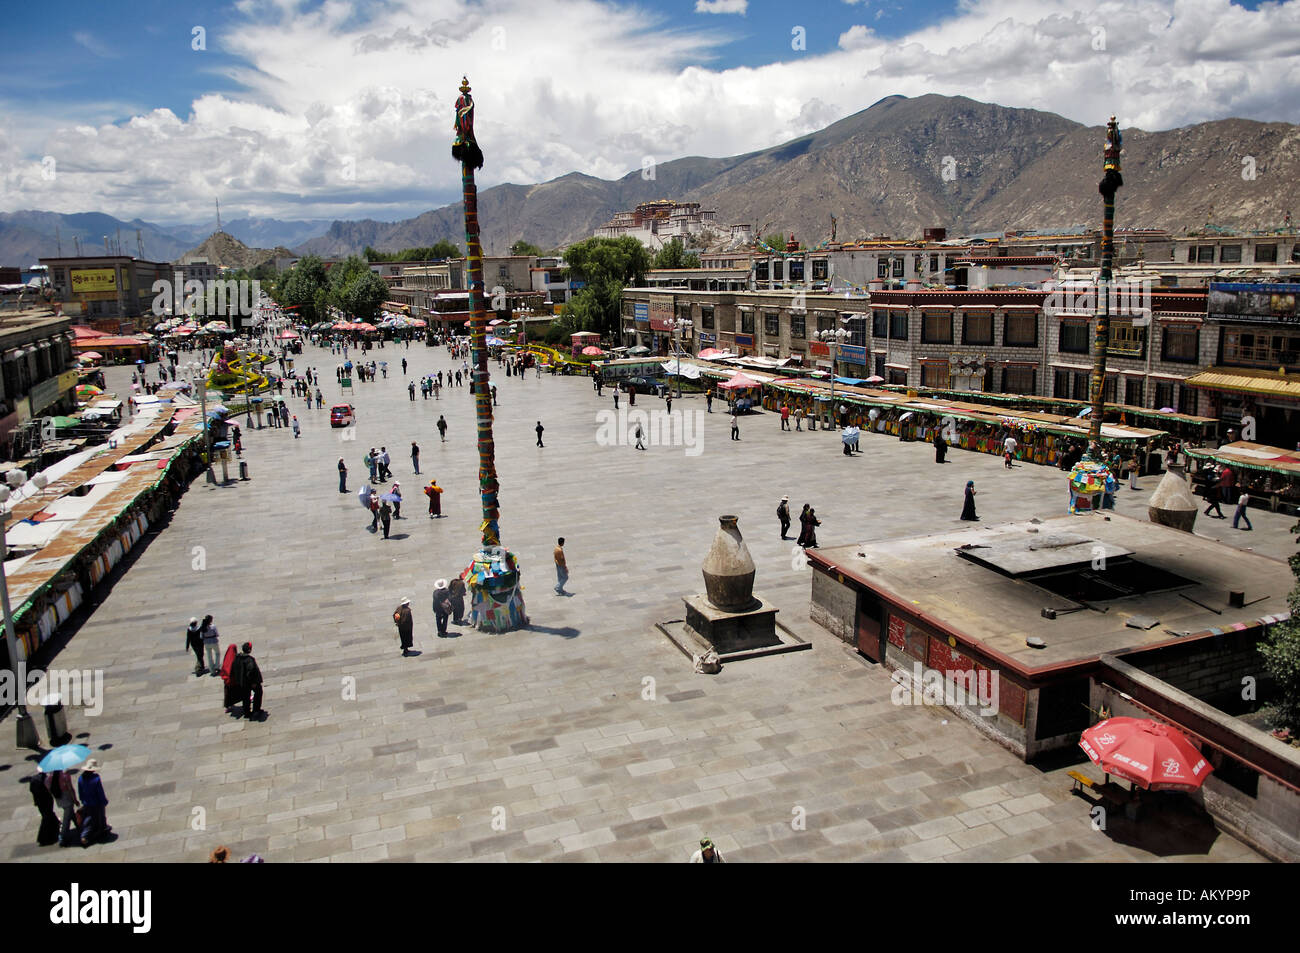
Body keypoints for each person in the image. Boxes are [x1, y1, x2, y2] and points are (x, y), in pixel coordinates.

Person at [77, 759, 111, 846]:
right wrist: (104, 801)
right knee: (97, 817)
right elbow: (100, 791)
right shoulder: (96, 778)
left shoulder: (81, 778)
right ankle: (85, 836)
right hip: (96, 802)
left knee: (90, 818)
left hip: (87, 802)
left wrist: (82, 800)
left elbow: (80, 791)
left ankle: (101, 828)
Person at [47, 769, 80, 847]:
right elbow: (70, 789)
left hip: (59, 799)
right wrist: (75, 800)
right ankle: (63, 838)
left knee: (69, 812)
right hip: (67, 798)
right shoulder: (65, 776)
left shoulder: (49, 778)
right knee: (66, 820)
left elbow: (49, 789)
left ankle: (78, 825)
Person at [231, 642, 264, 718]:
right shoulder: (249, 660)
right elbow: (251, 671)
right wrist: (253, 682)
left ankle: (247, 712)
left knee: (245, 697)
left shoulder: (236, 658)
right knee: (258, 692)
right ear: (249, 650)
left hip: (241, 682)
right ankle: (256, 710)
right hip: (250, 682)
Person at [29, 772, 61, 846]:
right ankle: (43, 838)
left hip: (38, 801)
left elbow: (31, 790)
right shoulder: (45, 779)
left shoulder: (33, 779)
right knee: (47, 817)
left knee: (46, 815)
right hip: (46, 800)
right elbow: (49, 789)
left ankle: (55, 826)